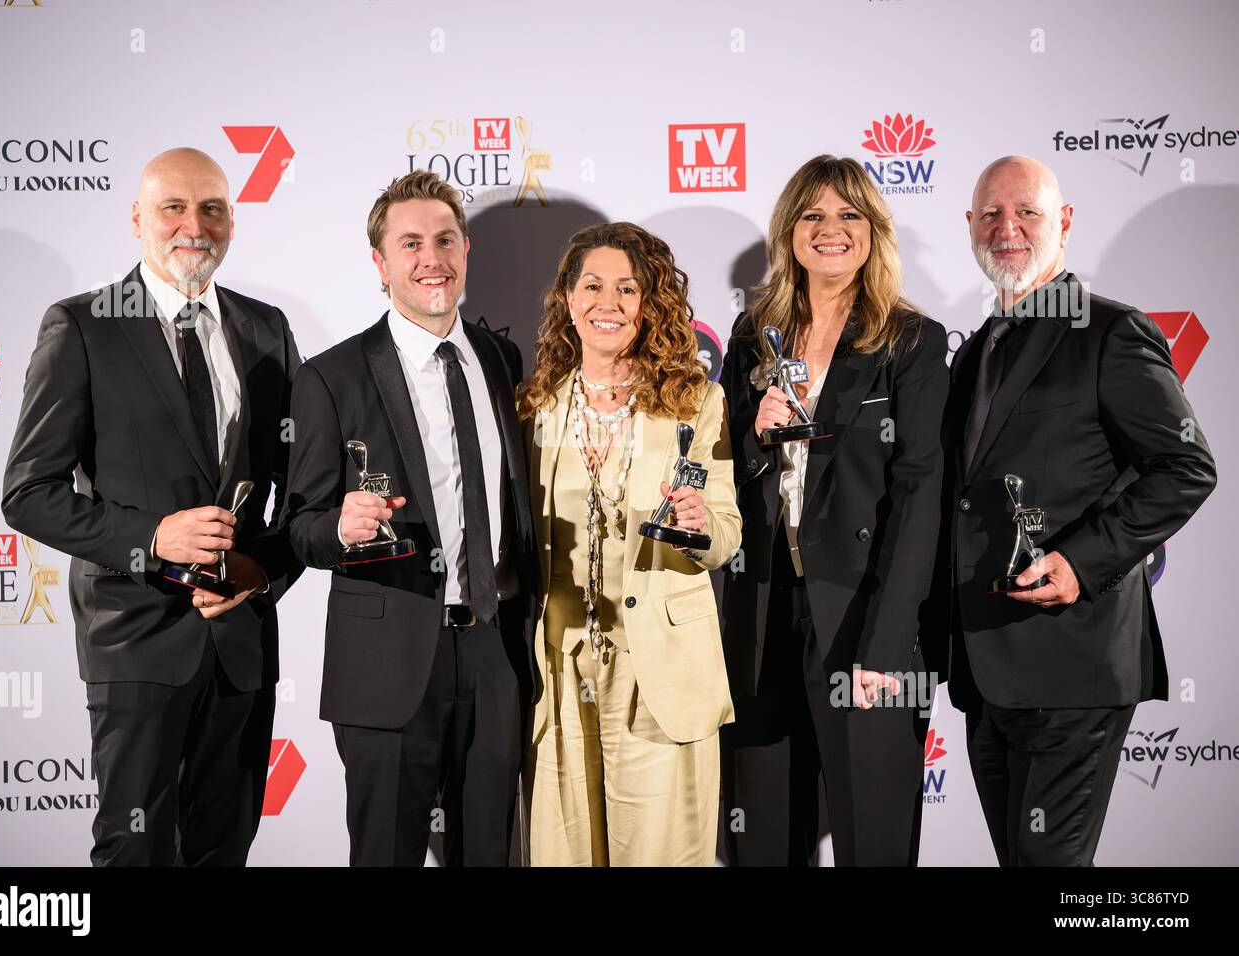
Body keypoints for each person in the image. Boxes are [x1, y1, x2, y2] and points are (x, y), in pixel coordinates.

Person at [1, 147, 302, 866]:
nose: (194, 226)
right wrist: (153, 537)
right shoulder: (82, 326)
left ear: (232, 221)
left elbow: (301, 492)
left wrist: (259, 574)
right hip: (134, 641)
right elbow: (29, 493)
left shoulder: (265, 329)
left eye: (212, 209)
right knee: (134, 853)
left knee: (222, 851)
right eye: (173, 207)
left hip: (239, 647)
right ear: (137, 219)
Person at [945, 155, 1216, 866]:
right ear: (969, 225)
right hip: (987, 665)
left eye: (1027, 212)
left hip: (1073, 664)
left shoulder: (1111, 332)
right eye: (991, 214)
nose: (1007, 228)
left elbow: (1186, 466)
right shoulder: (972, 355)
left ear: (1063, 223)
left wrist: (1080, 560)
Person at [282, 169, 537, 866]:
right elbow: (299, 527)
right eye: (412, 244)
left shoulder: (501, 358)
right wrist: (339, 526)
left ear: (466, 250)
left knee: (489, 853)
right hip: (387, 664)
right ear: (381, 262)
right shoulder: (330, 377)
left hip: (494, 653)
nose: (432, 259)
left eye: (445, 240)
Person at [720, 155, 948, 866]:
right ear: (789, 231)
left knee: (873, 844)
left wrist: (887, 646)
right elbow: (724, 473)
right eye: (813, 214)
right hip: (764, 616)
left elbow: (920, 497)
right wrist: (754, 436)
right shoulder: (753, 335)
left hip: (863, 621)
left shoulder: (910, 340)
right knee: (762, 843)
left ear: (873, 230)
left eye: (849, 214)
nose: (831, 229)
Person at [518, 221, 740, 866]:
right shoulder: (535, 404)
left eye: (627, 288)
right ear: (568, 298)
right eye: (592, 286)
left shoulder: (696, 402)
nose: (607, 303)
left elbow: (726, 534)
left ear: (651, 303)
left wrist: (699, 526)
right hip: (559, 670)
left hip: (659, 671)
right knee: (565, 853)